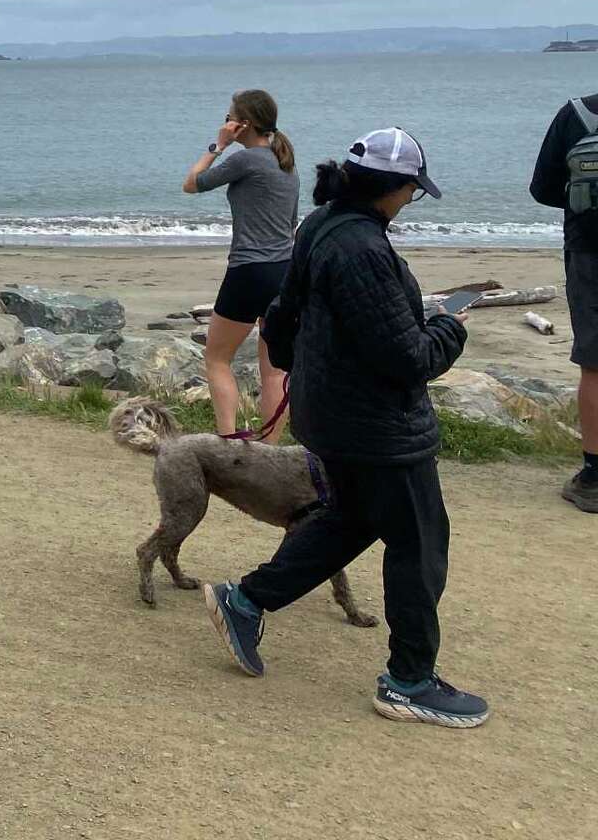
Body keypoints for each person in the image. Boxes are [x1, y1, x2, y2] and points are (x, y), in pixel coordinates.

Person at [203, 128, 487, 729]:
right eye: (413, 190)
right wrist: (451, 325)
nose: (412, 200)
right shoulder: (363, 249)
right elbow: (409, 359)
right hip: (379, 429)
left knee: (350, 519)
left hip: (331, 417)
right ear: (395, 188)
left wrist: (304, 370)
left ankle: (247, 599)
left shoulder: (323, 224)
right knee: (418, 544)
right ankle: (409, 681)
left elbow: (281, 318)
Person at [182, 89, 299, 434]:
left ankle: (227, 440)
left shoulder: (246, 159)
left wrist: (217, 146)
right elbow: (291, 223)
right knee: (274, 370)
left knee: (217, 359)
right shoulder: (286, 163)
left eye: (229, 118)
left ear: (243, 124)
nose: (226, 122)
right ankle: (267, 449)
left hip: (249, 270)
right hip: (283, 270)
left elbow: (191, 184)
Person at [528, 90, 598, 512]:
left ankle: (594, 475)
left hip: (589, 250)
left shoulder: (575, 115)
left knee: (594, 363)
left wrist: (580, 200)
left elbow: (541, 188)